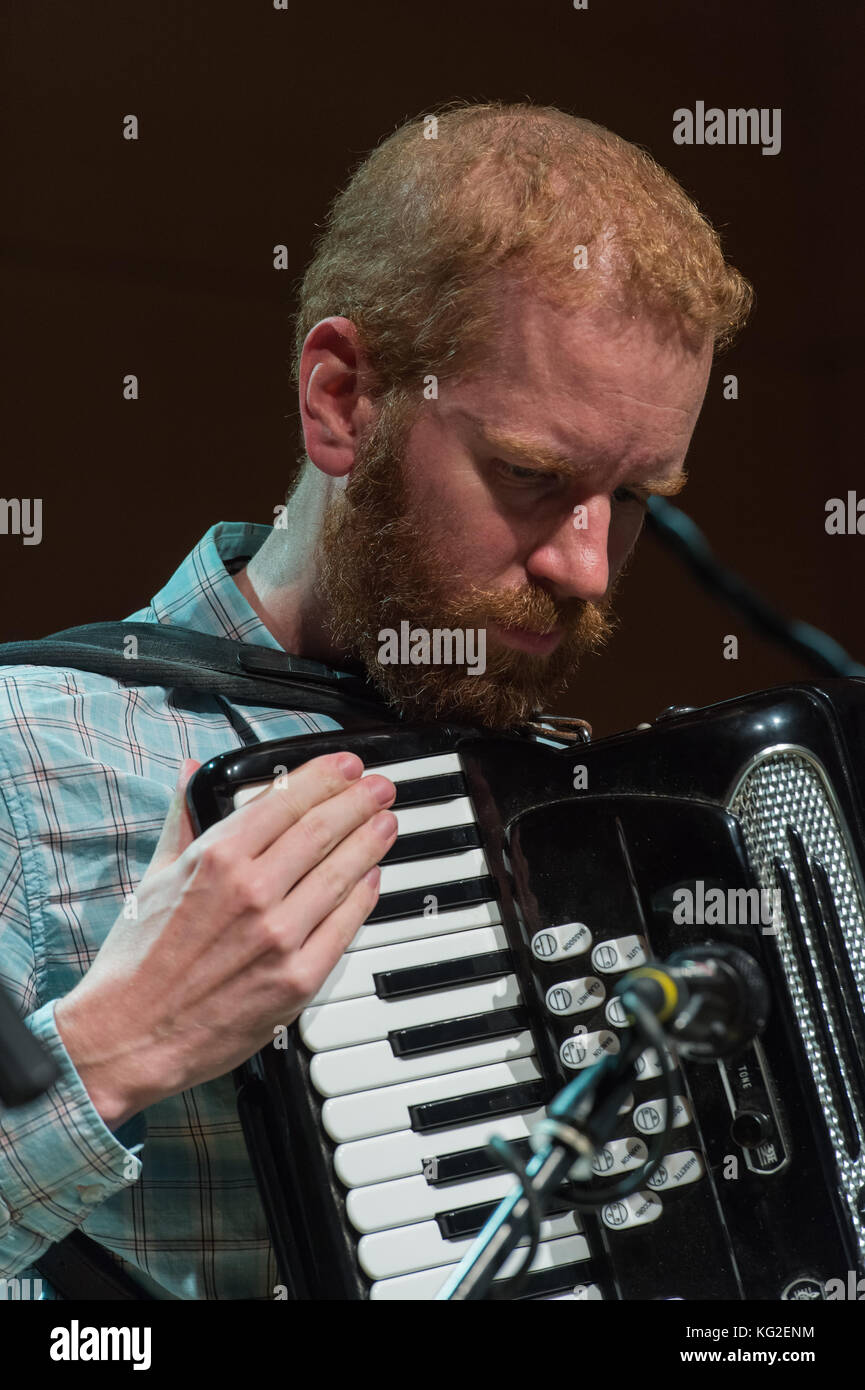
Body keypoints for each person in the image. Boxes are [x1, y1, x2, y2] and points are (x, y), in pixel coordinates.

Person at [0, 100, 751, 1299]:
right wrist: (118, 1047)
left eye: (636, 496)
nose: (587, 567)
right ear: (342, 397)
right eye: (531, 476)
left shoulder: (554, 789)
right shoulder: (26, 750)